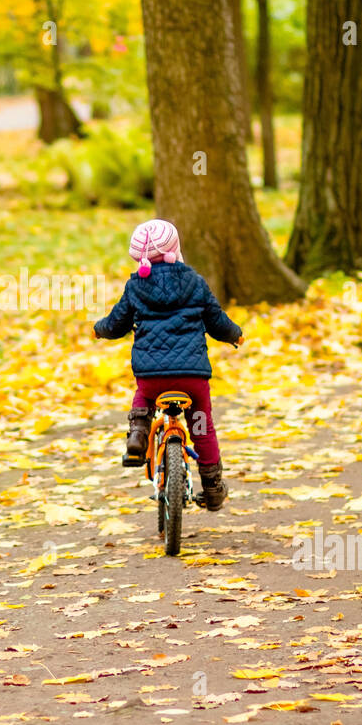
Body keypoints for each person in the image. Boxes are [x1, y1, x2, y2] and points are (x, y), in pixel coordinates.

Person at [92, 219, 242, 511]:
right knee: (202, 427)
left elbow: (116, 323)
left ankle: (137, 434)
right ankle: (212, 489)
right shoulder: (195, 282)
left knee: (143, 396)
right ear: (176, 247)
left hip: (152, 378)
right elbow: (217, 322)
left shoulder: (135, 286)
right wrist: (235, 335)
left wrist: (99, 329)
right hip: (192, 379)